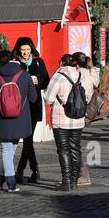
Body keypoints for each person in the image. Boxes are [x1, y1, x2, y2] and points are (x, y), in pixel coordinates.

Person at [44, 52, 95, 191]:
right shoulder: (82, 76)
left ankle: (66, 181)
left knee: (63, 150)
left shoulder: (59, 76)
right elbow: (88, 96)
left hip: (61, 119)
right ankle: (74, 180)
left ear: (62, 63)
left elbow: (48, 98)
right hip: (78, 119)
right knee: (75, 148)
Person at [0, 49, 38, 193]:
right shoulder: (24, 75)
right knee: (11, 150)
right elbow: (33, 98)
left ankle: (1, 180)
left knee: (6, 150)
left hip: (2, 118)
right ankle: (11, 183)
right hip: (20, 118)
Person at [12, 37, 50, 184]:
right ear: (18, 50)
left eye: (28, 49)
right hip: (19, 105)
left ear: (32, 49)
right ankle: (30, 171)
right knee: (27, 139)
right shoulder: (15, 64)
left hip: (33, 105)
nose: (25, 53)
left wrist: (38, 81)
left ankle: (25, 171)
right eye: (23, 50)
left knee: (27, 138)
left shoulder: (38, 62)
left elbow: (47, 81)